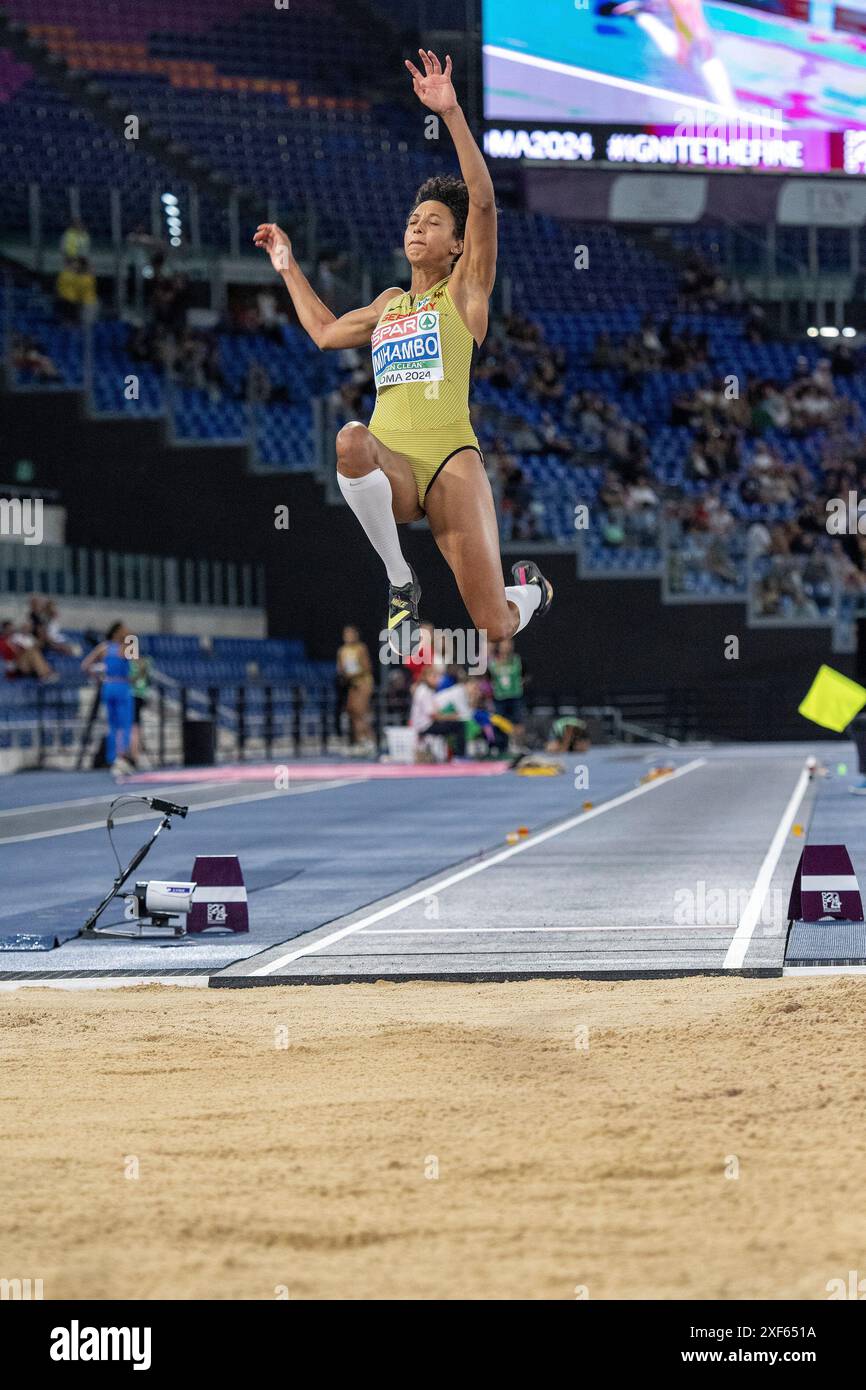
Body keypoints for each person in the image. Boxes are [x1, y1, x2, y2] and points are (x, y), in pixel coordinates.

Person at [254, 50, 553, 661]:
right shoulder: (390, 302)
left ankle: (531, 592)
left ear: (457, 243)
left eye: (434, 222)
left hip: (449, 460)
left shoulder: (465, 292)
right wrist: (286, 264)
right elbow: (324, 332)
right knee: (348, 439)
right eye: (414, 220)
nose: (418, 228)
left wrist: (451, 113)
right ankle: (399, 581)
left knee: (493, 627)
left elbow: (485, 201)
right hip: (391, 462)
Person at [81, 621, 134, 774]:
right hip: (122, 686)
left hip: (108, 686)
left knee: (112, 726)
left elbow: (85, 665)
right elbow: (136, 668)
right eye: (125, 630)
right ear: (117, 632)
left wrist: (98, 675)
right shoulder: (126, 647)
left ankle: (112, 759)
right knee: (124, 725)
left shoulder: (103, 647)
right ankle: (121, 758)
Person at [409, 664, 466, 757]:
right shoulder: (424, 692)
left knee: (454, 724)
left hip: (426, 724)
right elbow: (434, 716)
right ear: (426, 677)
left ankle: (452, 754)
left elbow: (437, 711)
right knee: (459, 725)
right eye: (433, 676)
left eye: (437, 676)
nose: (437, 679)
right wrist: (453, 717)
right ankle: (460, 756)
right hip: (424, 727)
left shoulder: (427, 690)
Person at [336, 625, 375, 752]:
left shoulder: (361, 648)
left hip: (363, 683)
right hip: (351, 684)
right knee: (352, 711)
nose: (348, 637)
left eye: (351, 634)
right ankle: (359, 741)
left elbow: (366, 667)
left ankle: (369, 741)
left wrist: (352, 674)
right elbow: (340, 668)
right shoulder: (342, 651)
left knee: (361, 712)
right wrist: (344, 674)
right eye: (346, 634)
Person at [489, 637, 525, 743]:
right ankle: (501, 745)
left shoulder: (516, 659)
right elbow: (490, 678)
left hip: (515, 696)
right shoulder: (493, 662)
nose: (507, 646)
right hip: (500, 697)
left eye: (509, 644)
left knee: (518, 722)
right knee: (500, 722)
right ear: (499, 647)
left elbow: (524, 675)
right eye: (504, 644)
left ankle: (519, 745)